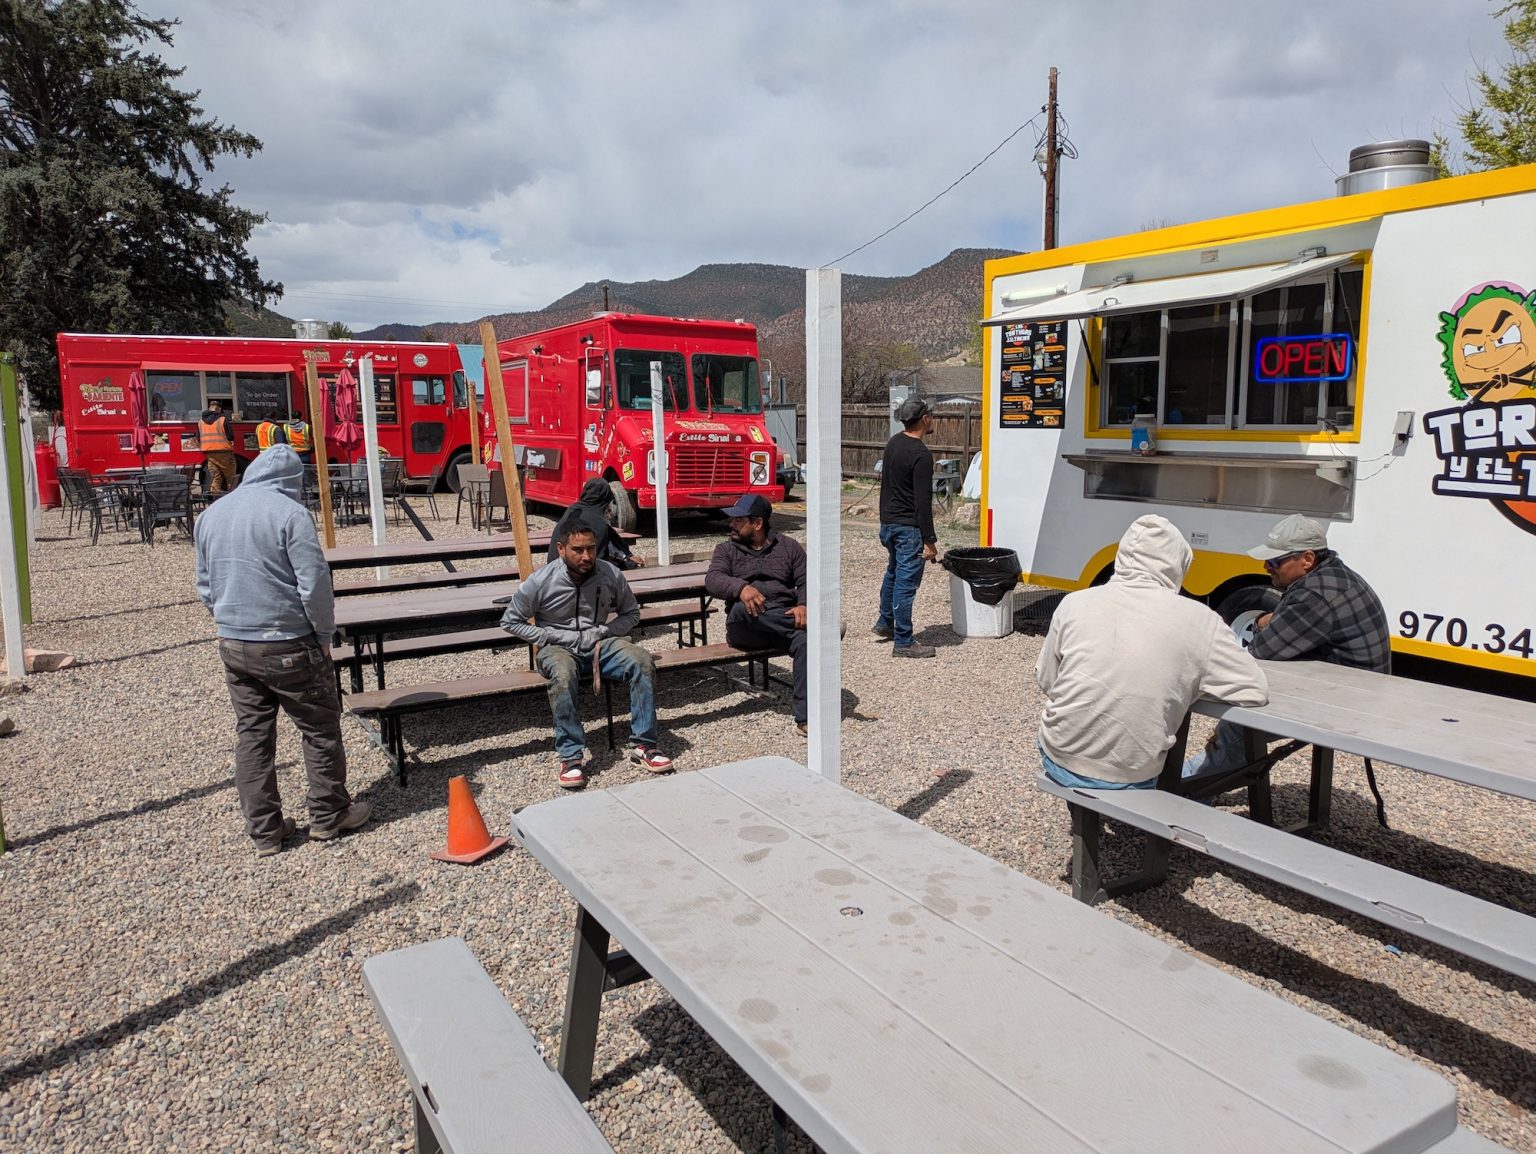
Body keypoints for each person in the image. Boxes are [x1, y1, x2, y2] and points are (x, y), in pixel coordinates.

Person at [194, 445, 371, 856]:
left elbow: (205, 585)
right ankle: (328, 815)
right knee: (319, 728)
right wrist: (324, 635)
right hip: (289, 641)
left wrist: (229, 620)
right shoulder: (290, 514)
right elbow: (314, 584)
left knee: (253, 736)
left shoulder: (211, 514)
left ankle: (265, 831)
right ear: (294, 481)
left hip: (235, 642)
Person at [1037, 514, 1268, 789]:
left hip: (1059, 755)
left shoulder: (1073, 603)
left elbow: (1047, 680)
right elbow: (1254, 689)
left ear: (1121, 555)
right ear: (1178, 564)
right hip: (1134, 772)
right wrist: (1190, 683)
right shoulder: (1198, 618)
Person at [1184, 513, 1389, 780]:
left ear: (1307, 559)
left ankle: (1188, 789)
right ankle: (1198, 780)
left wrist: (1260, 623)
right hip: (1359, 692)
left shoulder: (1313, 596)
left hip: (1348, 707)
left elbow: (1262, 651)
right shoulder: (1333, 576)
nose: (1267, 567)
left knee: (1240, 723)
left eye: (1275, 561)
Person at [499, 521, 672, 789]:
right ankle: (570, 756)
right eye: (577, 549)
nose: (587, 556)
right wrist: (548, 637)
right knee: (563, 672)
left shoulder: (610, 573)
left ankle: (644, 745)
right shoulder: (541, 579)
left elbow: (632, 613)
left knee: (640, 660)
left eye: (591, 548)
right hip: (557, 647)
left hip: (600, 645)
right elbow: (510, 620)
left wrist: (604, 631)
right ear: (560, 549)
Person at [705, 494, 809, 733]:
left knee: (805, 642)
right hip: (745, 628)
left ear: (758, 524)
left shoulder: (789, 547)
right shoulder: (725, 550)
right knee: (745, 607)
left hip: (779, 626)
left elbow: (807, 579)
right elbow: (712, 579)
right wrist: (741, 588)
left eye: (738, 520)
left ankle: (805, 719)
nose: (731, 525)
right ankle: (806, 624)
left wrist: (804, 605)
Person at [874, 396, 938, 658]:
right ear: (924, 419)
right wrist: (930, 541)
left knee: (893, 573)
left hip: (888, 524)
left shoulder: (894, 443)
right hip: (908, 528)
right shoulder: (921, 454)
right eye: (931, 414)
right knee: (906, 582)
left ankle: (885, 622)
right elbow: (923, 501)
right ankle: (903, 640)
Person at [546, 478, 645, 569]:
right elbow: (595, 564)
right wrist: (629, 564)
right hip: (571, 577)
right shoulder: (598, 523)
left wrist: (627, 556)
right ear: (606, 500)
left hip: (554, 570)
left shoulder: (574, 509)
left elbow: (612, 536)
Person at [199, 399, 237, 494]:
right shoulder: (222, 419)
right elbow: (230, 436)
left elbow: (198, 437)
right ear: (219, 409)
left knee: (216, 478)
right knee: (231, 478)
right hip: (224, 453)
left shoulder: (200, 421)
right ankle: (234, 499)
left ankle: (215, 501)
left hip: (209, 454)